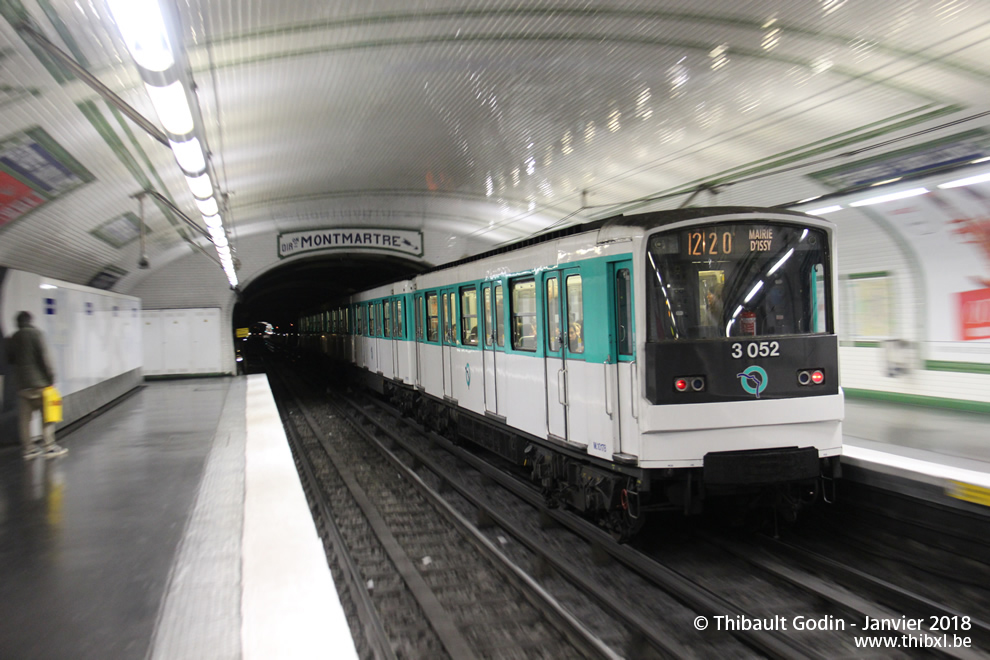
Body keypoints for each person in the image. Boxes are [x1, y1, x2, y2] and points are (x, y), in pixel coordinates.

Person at [6, 311, 67, 459]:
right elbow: (44, 358)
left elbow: (10, 360)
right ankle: (49, 447)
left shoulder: (13, 338)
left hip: (22, 386)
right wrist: (51, 378)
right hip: (40, 384)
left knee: (24, 420)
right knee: (47, 416)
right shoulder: (36, 334)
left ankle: (29, 449)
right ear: (30, 321)